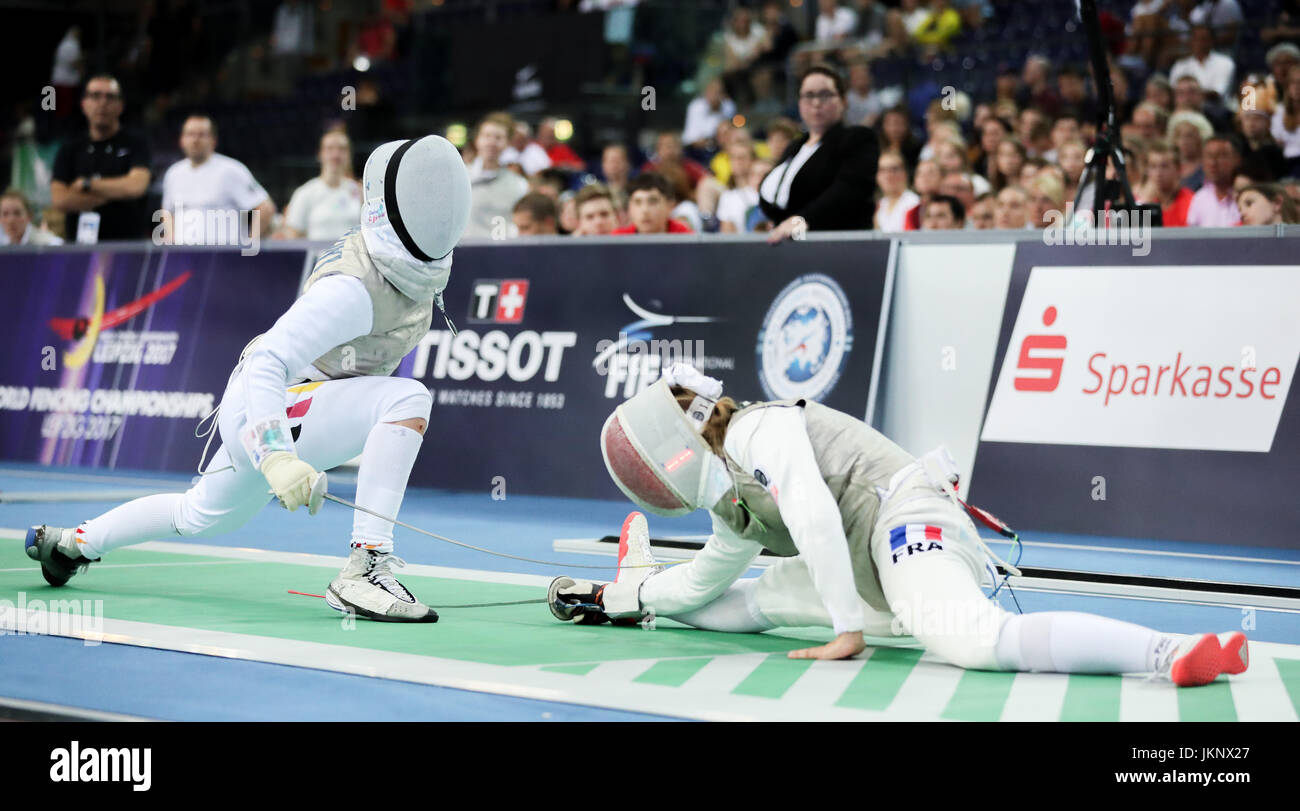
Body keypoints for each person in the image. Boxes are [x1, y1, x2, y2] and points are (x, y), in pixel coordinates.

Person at [549, 364, 1249, 688]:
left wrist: (845, 628)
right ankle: (634, 591)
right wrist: (627, 600)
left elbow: (816, 514)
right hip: (866, 569)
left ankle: (1173, 649)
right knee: (729, 606)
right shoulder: (730, 503)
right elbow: (705, 580)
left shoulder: (761, 429)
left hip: (903, 520)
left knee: (973, 639)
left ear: (686, 425)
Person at [26, 135, 472, 624]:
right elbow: (268, 362)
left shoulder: (408, 271)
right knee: (407, 398)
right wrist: (276, 455)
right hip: (266, 407)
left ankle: (72, 545)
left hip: (291, 405)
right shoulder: (352, 289)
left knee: (195, 514)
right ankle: (364, 568)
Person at [758, 65, 879, 241]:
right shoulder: (795, 147)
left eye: (825, 94)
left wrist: (801, 221)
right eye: (809, 95)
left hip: (840, 247)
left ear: (844, 101)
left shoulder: (857, 138)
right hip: (793, 248)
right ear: (799, 102)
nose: (816, 103)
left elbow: (850, 189)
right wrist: (779, 221)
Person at [50, 75, 152, 241]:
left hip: (129, 247)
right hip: (81, 249)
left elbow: (136, 187)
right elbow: (60, 200)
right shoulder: (69, 148)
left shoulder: (136, 143)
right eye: (95, 96)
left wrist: (87, 184)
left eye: (110, 97)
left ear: (120, 106)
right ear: (83, 104)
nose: (102, 103)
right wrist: (117, 192)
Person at [159, 115, 276, 245]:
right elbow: (167, 211)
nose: (195, 140)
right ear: (181, 140)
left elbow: (265, 208)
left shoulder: (231, 170)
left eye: (202, 135)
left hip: (223, 256)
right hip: (184, 256)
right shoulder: (173, 173)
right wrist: (171, 241)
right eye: (190, 134)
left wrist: (250, 244)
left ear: (213, 140)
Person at [277, 129, 362, 241]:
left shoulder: (361, 193)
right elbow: (292, 238)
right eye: (330, 149)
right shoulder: (304, 193)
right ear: (320, 154)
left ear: (349, 155)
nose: (336, 155)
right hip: (319, 258)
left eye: (342, 149)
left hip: (353, 257)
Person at [464, 112, 530, 238]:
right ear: (477, 139)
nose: (491, 142)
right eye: (487, 136)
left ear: (507, 143)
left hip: (500, 252)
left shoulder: (519, 184)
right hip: (464, 251)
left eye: (498, 138)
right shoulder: (460, 178)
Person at [1185, 135, 1242, 226]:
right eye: (1208, 156)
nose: (1213, 163)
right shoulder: (1199, 198)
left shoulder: (1246, 196)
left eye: (1220, 156)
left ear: (1237, 160)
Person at [610, 173, 693, 234]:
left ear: (670, 206)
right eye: (637, 202)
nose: (645, 210)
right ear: (629, 208)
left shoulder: (687, 239)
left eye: (653, 202)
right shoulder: (618, 239)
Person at [873, 152, 919, 232]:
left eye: (894, 169)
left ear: (905, 173)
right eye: (883, 170)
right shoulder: (881, 205)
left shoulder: (914, 203)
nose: (888, 175)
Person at [0, 189, 64, 245]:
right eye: (5, 214)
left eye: (17, 213)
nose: (11, 220)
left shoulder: (48, 243)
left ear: (29, 216)